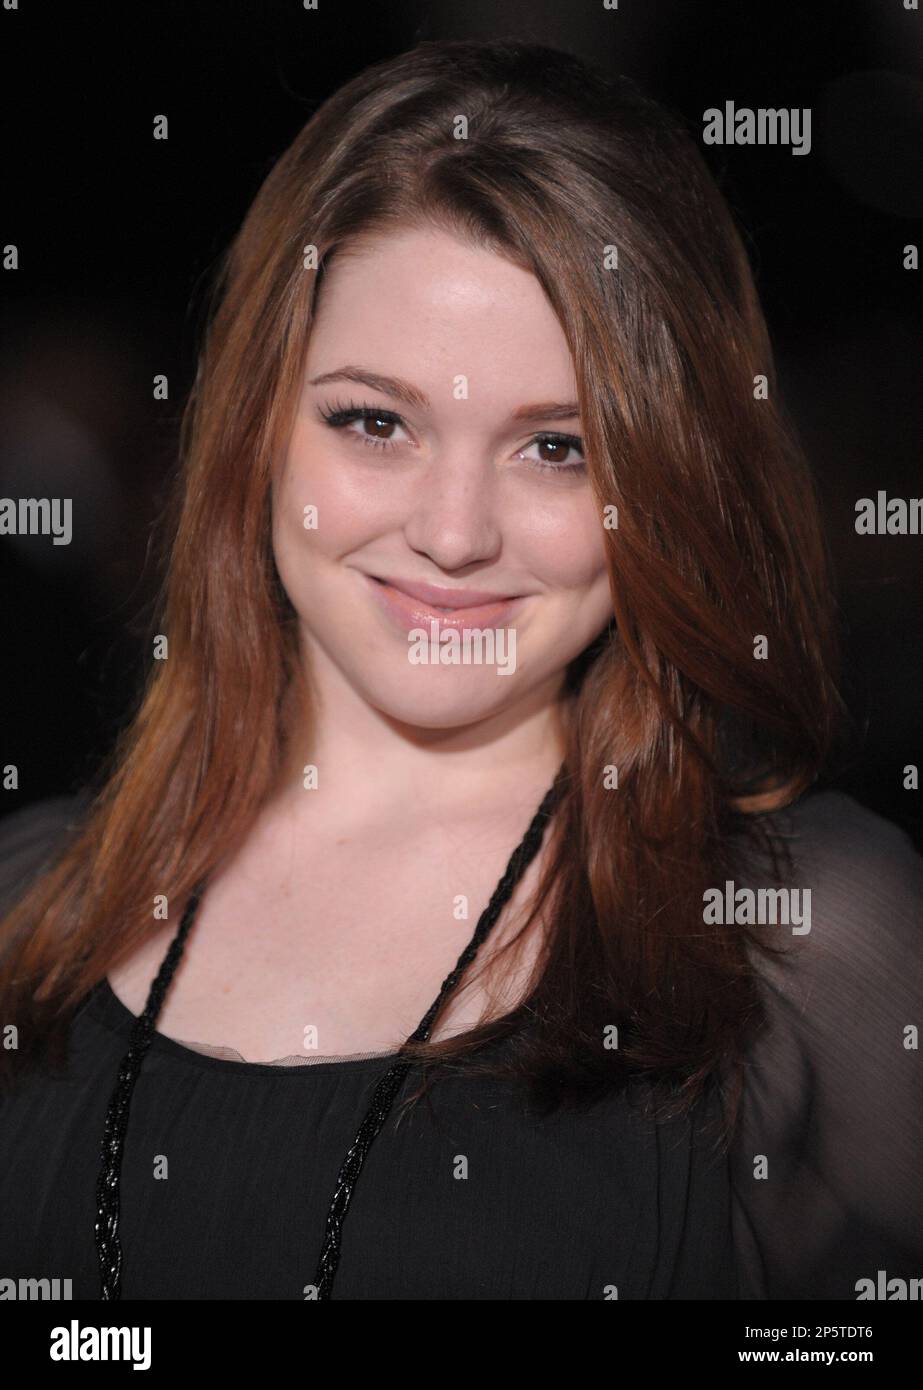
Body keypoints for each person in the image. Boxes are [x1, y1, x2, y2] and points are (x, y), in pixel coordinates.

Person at [1, 38, 921, 1302]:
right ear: (255, 428)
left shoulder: (803, 939)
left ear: (663, 479)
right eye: (373, 421)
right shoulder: (29, 906)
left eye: (556, 447)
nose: (451, 532)